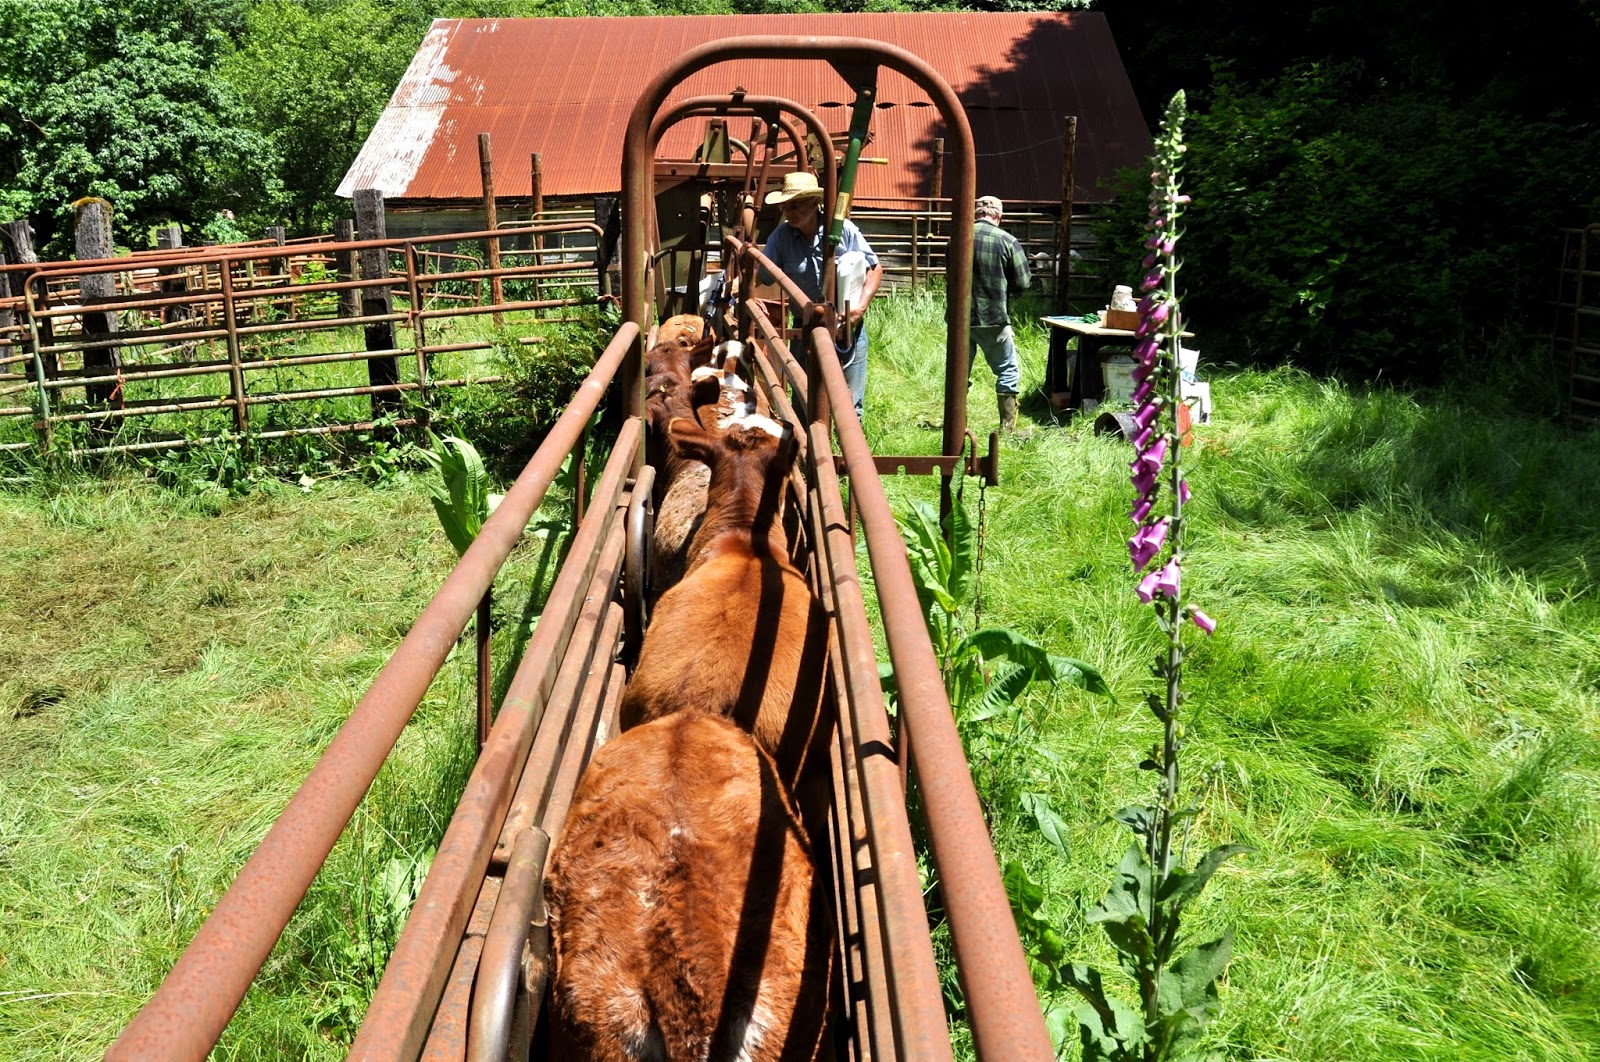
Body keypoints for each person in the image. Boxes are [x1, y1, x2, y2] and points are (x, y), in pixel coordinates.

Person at [760, 171, 883, 420]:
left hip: (845, 327)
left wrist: (860, 308)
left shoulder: (842, 230)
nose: (789, 211)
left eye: (796, 204)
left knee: (850, 405)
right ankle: (808, 455)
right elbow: (763, 274)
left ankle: (846, 455)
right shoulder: (781, 237)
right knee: (804, 400)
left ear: (814, 203)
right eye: (785, 205)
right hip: (805, 329)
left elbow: (875, 268)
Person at [970, 194, 1032, 431]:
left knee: (958, 372)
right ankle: (1007, 429)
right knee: (1007, 370)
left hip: (959, 319)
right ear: (999, 215)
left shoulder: (956, 238)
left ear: (977, 213)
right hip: (994, 318)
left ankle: (955, 424)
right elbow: (1023, 282)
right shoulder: (1007, 240)